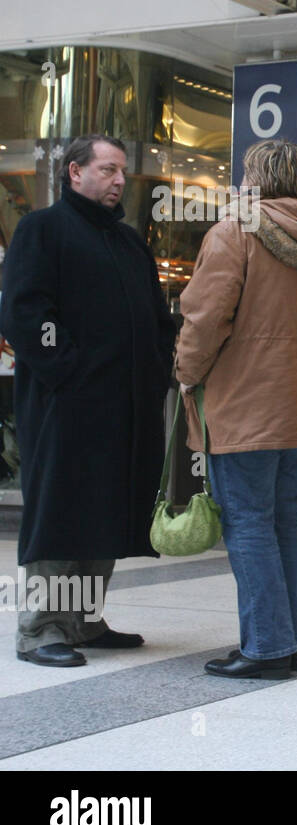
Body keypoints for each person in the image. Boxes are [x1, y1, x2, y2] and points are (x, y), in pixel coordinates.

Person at [175, 139, 297, 679]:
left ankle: (266, 647)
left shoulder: (233, 232)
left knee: (248, 522)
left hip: (242, 404)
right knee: (282, 521)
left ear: (252, 180)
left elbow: (204, 319)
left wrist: (186, 373)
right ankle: (290, 640)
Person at [1, 134, 176, 667]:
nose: (119, 180)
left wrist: (161, 367)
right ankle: (41, 629)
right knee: (60, 510)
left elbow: (152, 316)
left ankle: (83, 620)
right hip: (67, 407)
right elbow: (25, 312)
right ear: (74, 173)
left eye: (122, 171)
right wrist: (68, 369)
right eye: (107, 169)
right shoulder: (43, 230)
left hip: (123, 407)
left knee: (107, 508)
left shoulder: (127, 242)